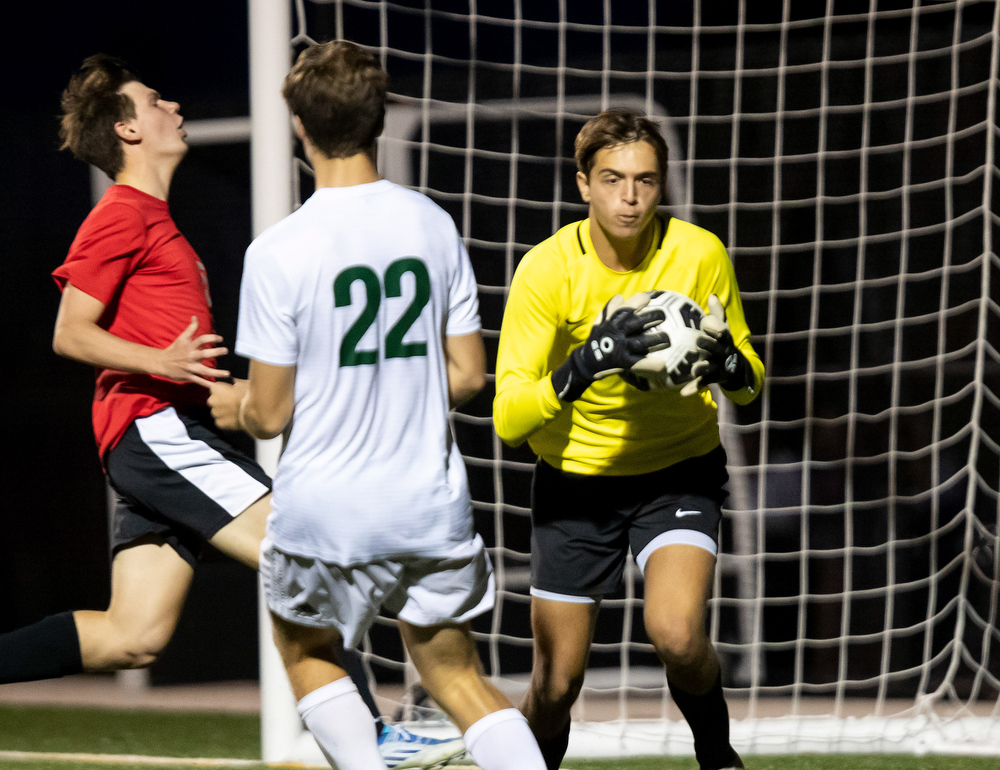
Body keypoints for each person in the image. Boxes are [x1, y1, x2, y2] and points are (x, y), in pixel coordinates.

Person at [0, 55, 427, 766]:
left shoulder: (155, 218)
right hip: (154, 433)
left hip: (165, 435)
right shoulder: (121, 214)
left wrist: (221, 397)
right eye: (154, 99)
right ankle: (370, 739)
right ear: (128, 128)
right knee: (302, 550)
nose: (171, 104)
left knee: (132, 635)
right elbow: (69, 331)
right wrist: (159, 364)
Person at [206, 40, 547, 770]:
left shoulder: (278, 250)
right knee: (460, 679)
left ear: (299, 125)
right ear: (380, 118)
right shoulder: (431, 223)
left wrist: (231, 405)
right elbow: (467, 376)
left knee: (304, 647)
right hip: (426, 502)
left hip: (327, 508)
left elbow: (267, 414)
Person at [493, 109, 764, 770]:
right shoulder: (546, 270)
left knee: (675, 633)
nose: (630, 196)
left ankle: (716, 753)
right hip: (575, 484)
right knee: (555, 685)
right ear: (583, 183)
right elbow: (508, 419)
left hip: (678, 473)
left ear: (662, 183)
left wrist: (730, 363)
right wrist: (583, 366)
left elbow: (750, 384)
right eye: (613, 179)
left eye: (645, 179)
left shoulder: (699, 253)